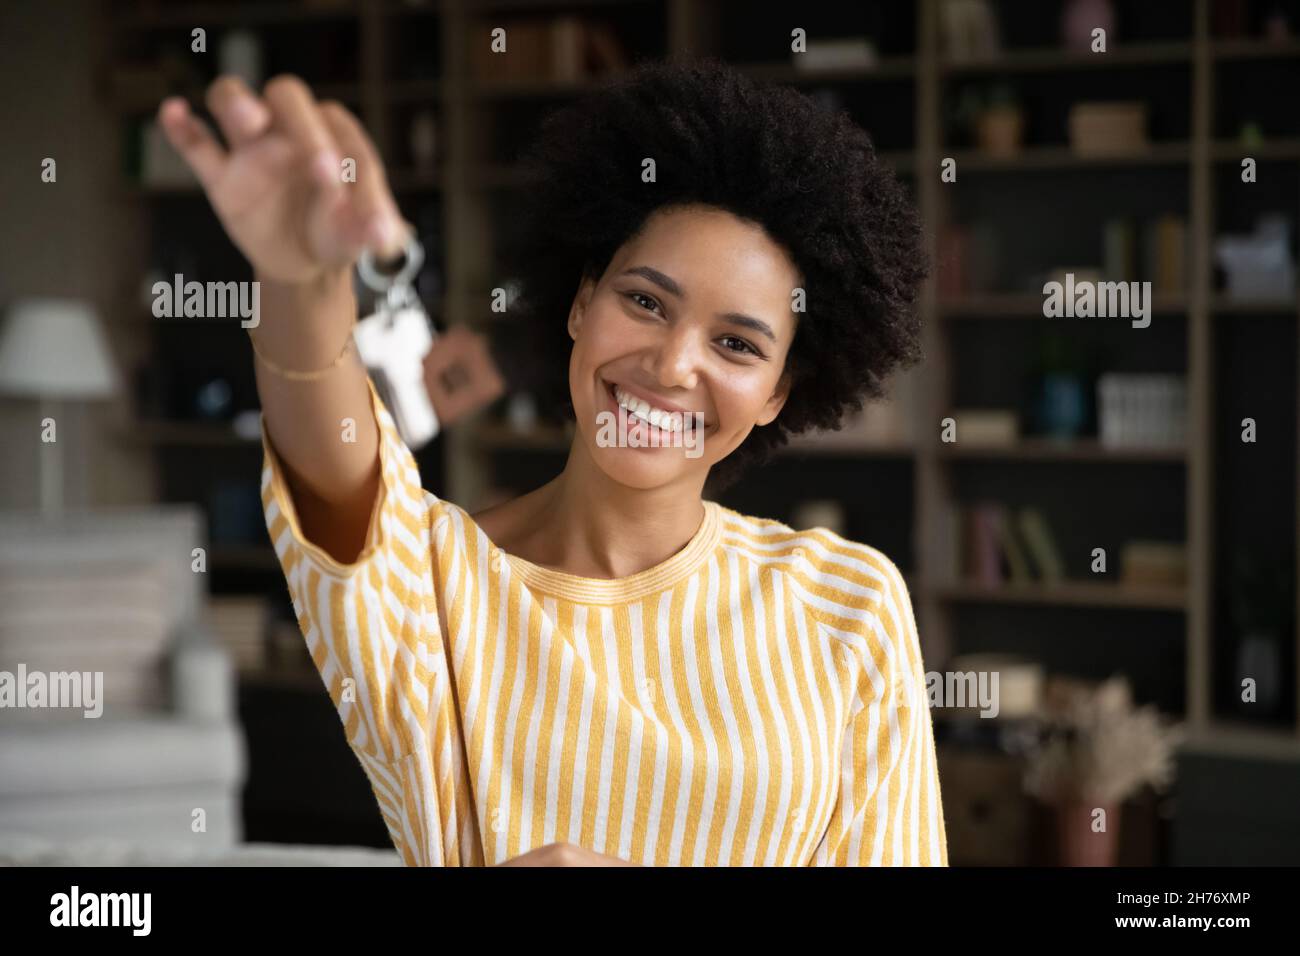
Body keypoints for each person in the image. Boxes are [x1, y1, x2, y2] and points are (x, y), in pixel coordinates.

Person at [158, 57, 947, 867]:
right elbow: (332, 465)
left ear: (779, 393)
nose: (674, 365)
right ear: (581, 303)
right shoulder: (432, 584)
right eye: (644, 301)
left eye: (737, 344)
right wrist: (299, 283)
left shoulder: (846, 603)